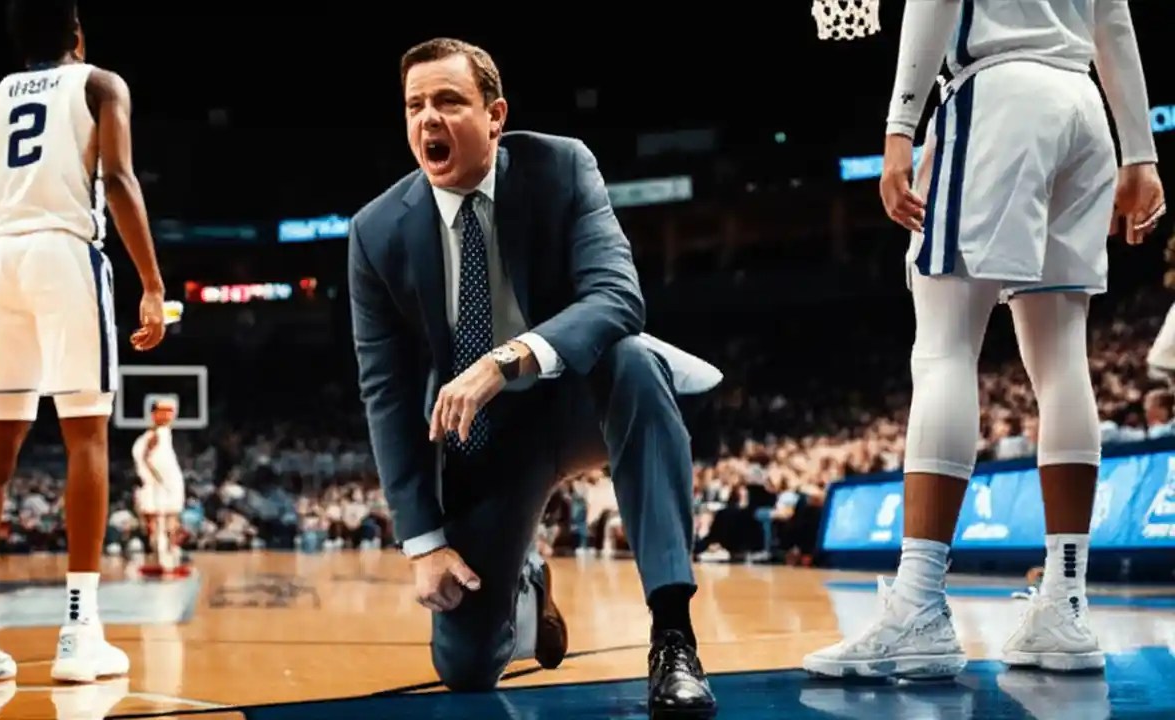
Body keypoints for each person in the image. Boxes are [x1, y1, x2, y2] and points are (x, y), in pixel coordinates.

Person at [348, 37, 720, 716]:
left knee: (634, 359)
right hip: (489, 440)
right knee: (464, 670)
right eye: (414, 105)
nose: (428, 118)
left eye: (449, 101)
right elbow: (387, 392)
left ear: (495, 114)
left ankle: (674, 638)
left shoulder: (560, 166)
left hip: (582, 398)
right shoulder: (376, 232)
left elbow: (618, 297)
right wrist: (424, 544)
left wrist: (504, 359)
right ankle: (524, 574)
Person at [804, 0, 1165, 680]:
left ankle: (917, 605)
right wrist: (1140, 151)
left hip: (999, 93)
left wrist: (898, 131)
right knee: (1061, 361)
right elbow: (1114, 16)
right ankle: (1066, 605)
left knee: (942, 347)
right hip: (1084, 109)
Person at [0, 0, 166, 685]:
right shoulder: (100, 84)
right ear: (78, 36)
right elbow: (120, 181)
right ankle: (80, 631)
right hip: (64, 251)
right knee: (86, 437)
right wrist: (152, 283)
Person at [132, 398, 186, 570]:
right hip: (159, 484)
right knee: (156, 522)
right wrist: (156, 477)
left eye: (170, 410)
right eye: (164, 410)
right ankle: (160, 557)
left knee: (170, 520)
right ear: (155, 414)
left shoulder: (164, 434)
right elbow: (147, 457)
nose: (169, 414)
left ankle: (169, 555)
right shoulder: (155, 435)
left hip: (168, 483)